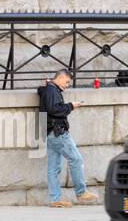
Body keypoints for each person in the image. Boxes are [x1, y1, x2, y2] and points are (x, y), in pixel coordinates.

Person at [38, 70, 98, 208]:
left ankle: (55, 199)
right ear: (60, 78)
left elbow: (47, 102)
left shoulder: (48, 90)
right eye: (67, 82)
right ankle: (81, 192)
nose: (67, 85)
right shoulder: (52, 91)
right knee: (76, 159)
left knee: (54, 167)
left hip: (49, 132)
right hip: (58, 132)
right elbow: (54, 110)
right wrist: (71, 105)